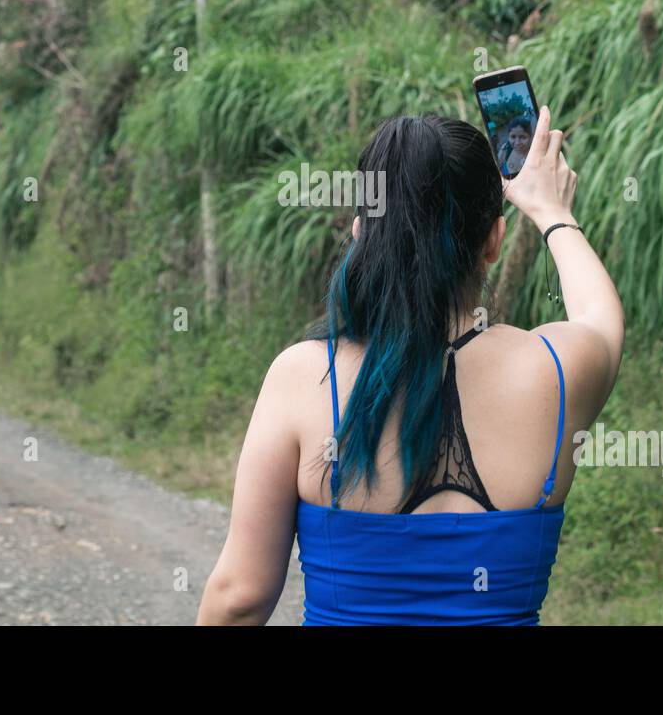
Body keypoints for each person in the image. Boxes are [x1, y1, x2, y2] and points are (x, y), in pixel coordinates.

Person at [196, 107, 624, 625]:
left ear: (361, 233)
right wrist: (551, 211)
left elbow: (240, 596)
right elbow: (600, 318)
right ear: (493, 241)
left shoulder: (304, 379)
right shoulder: (556, 372)